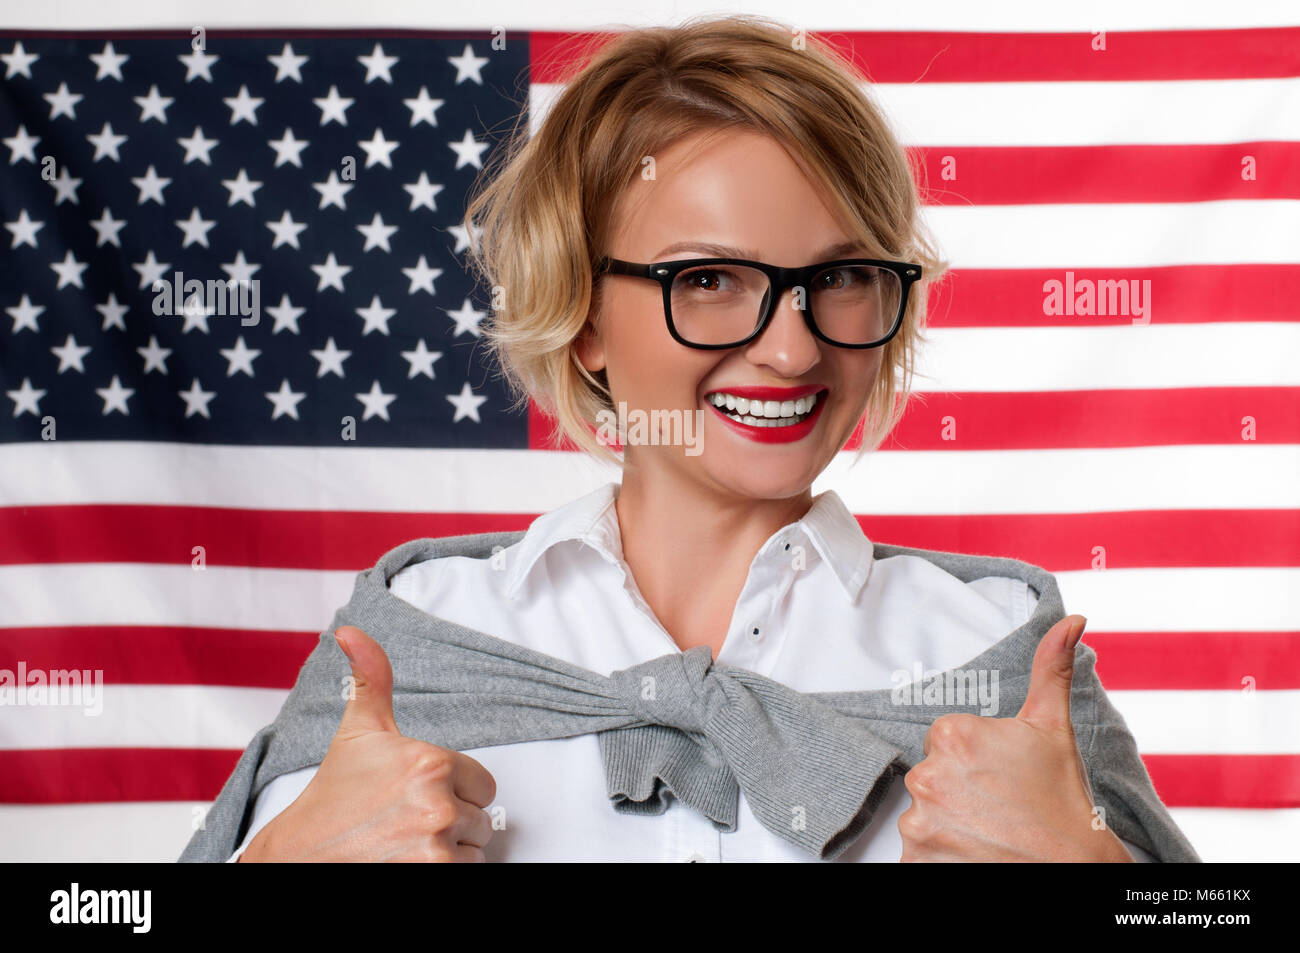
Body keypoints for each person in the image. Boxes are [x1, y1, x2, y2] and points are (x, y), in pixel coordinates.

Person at [229, 14, 1188, 862]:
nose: (792, 345)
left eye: (842, 275)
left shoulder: (997, 652)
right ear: (584, 312)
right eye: (708, 279)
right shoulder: (420, 639)